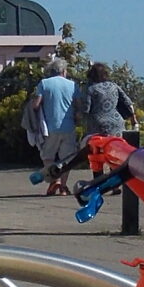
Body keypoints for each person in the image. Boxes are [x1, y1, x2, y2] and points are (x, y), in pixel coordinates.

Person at [26, 60, 79, 195]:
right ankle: (63, 186)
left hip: (50, 127)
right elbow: (78, 106)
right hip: (69, 126)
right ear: (64, 71)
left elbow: (36, 105)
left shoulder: (44, 83)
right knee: (67, 158)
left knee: (47, 156)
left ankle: (54, 181)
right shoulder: (73, 85)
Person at [71, 61, 135, 157]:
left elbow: (86, 108)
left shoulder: (91, 89)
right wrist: (133, 119)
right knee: (115, 154)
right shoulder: (114, 86)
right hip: (117, 122)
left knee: (97, 155)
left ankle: (98, 172)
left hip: (97, 124)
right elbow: (128, 102)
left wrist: (78, 117)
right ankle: (115, 172)